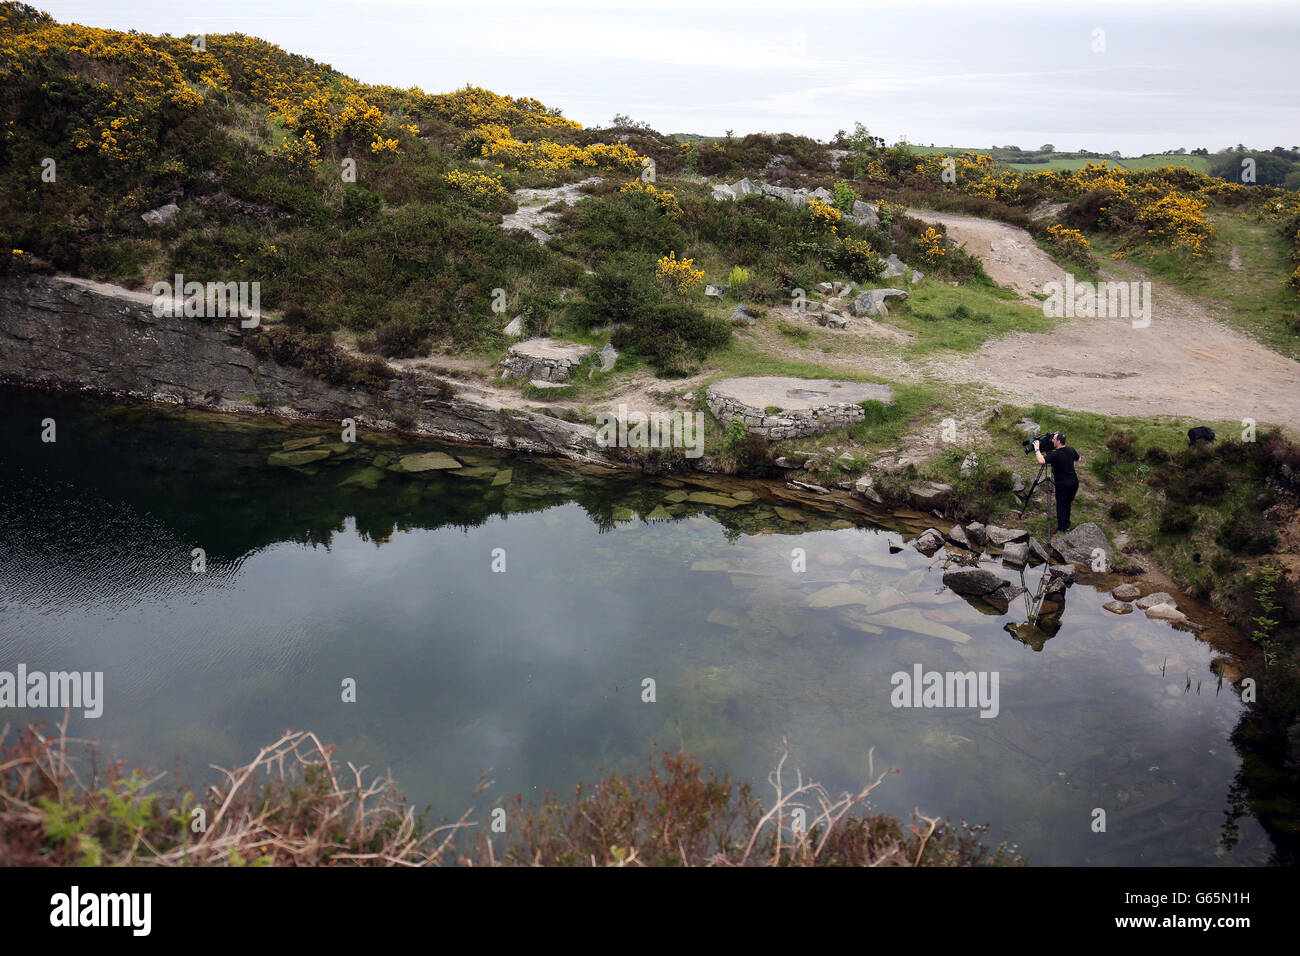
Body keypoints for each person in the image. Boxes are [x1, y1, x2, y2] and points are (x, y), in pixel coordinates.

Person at [1033, 432, 1082, 534]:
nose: (1052, 440)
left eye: (1054, 439)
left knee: (1061, 506)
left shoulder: (1056, 454)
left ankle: (1062, 528)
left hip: (1063, 485)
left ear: (1059, 441)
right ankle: (1066, 525)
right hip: (1074, 482)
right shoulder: (1071, 449)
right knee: (1067, 504)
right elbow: (1079, 459)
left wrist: (1037, 448)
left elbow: (1041, 461)